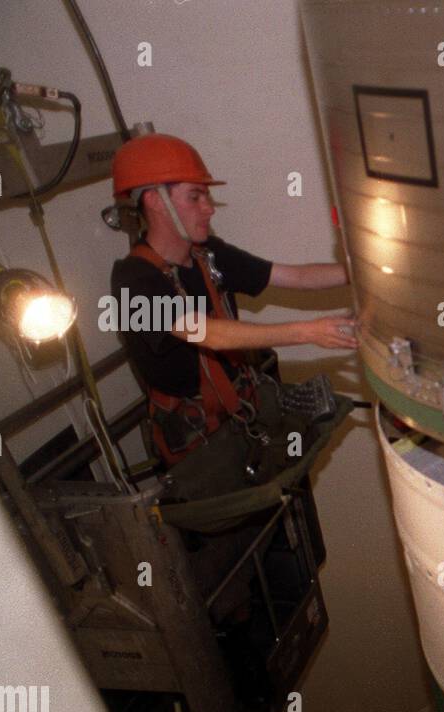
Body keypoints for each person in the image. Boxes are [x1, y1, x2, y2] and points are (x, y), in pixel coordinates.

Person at [107, 133, 358, 466]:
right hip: (203, 447)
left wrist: (364, 272)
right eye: (195, 197)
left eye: (206, 197)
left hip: (244, 415)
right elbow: (207, 333)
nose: (209, 209)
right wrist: (308, 332)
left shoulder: (208, 254)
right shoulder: (132, 282)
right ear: (154, 201)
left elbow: (294, 277)